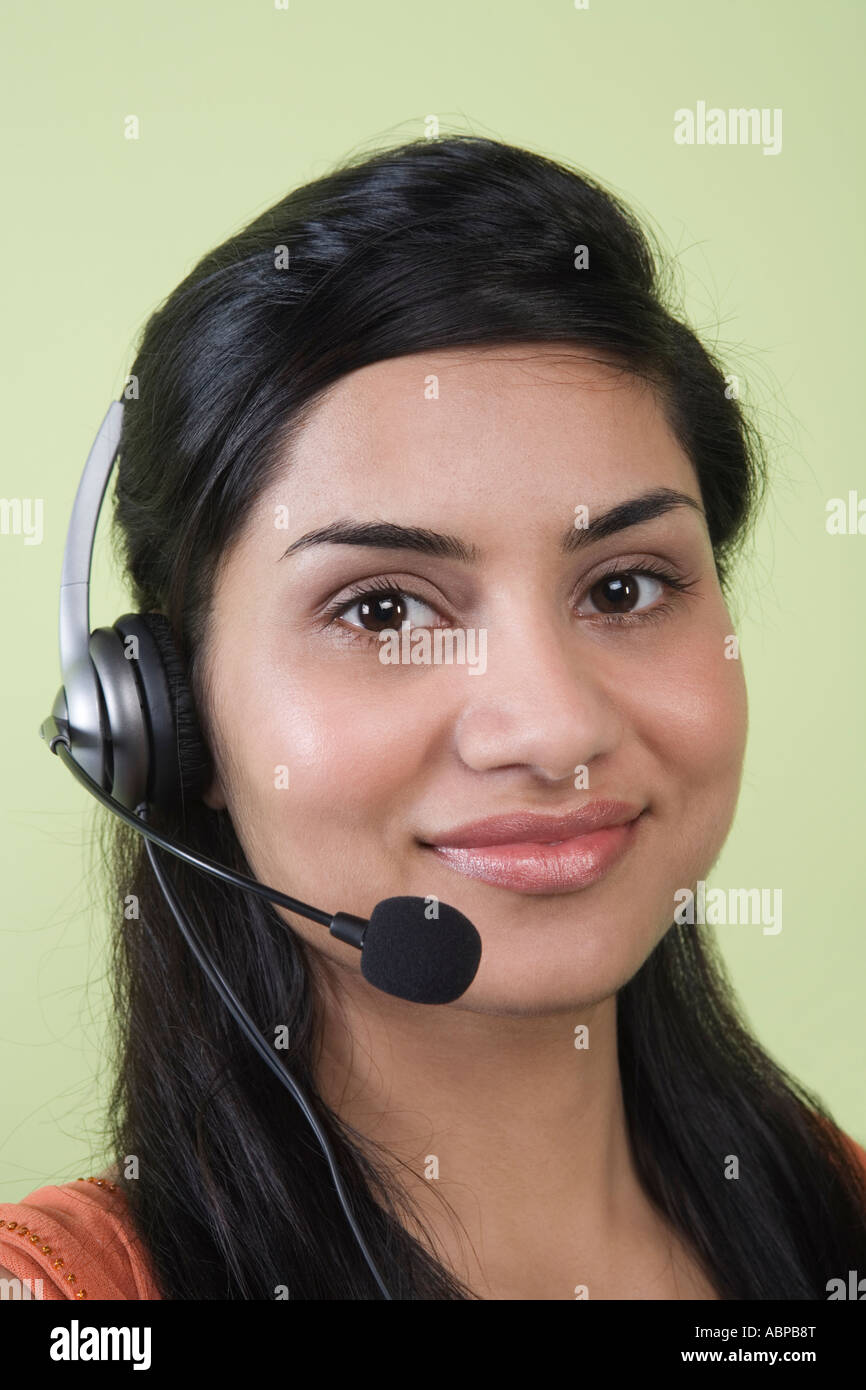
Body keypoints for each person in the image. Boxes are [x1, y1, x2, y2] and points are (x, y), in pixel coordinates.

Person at [3, 134, 865, 1301]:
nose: (552, 728)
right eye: (382, 608)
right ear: (170, 715)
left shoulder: (836, 1217)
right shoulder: (66, 1298)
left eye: (622, 587)